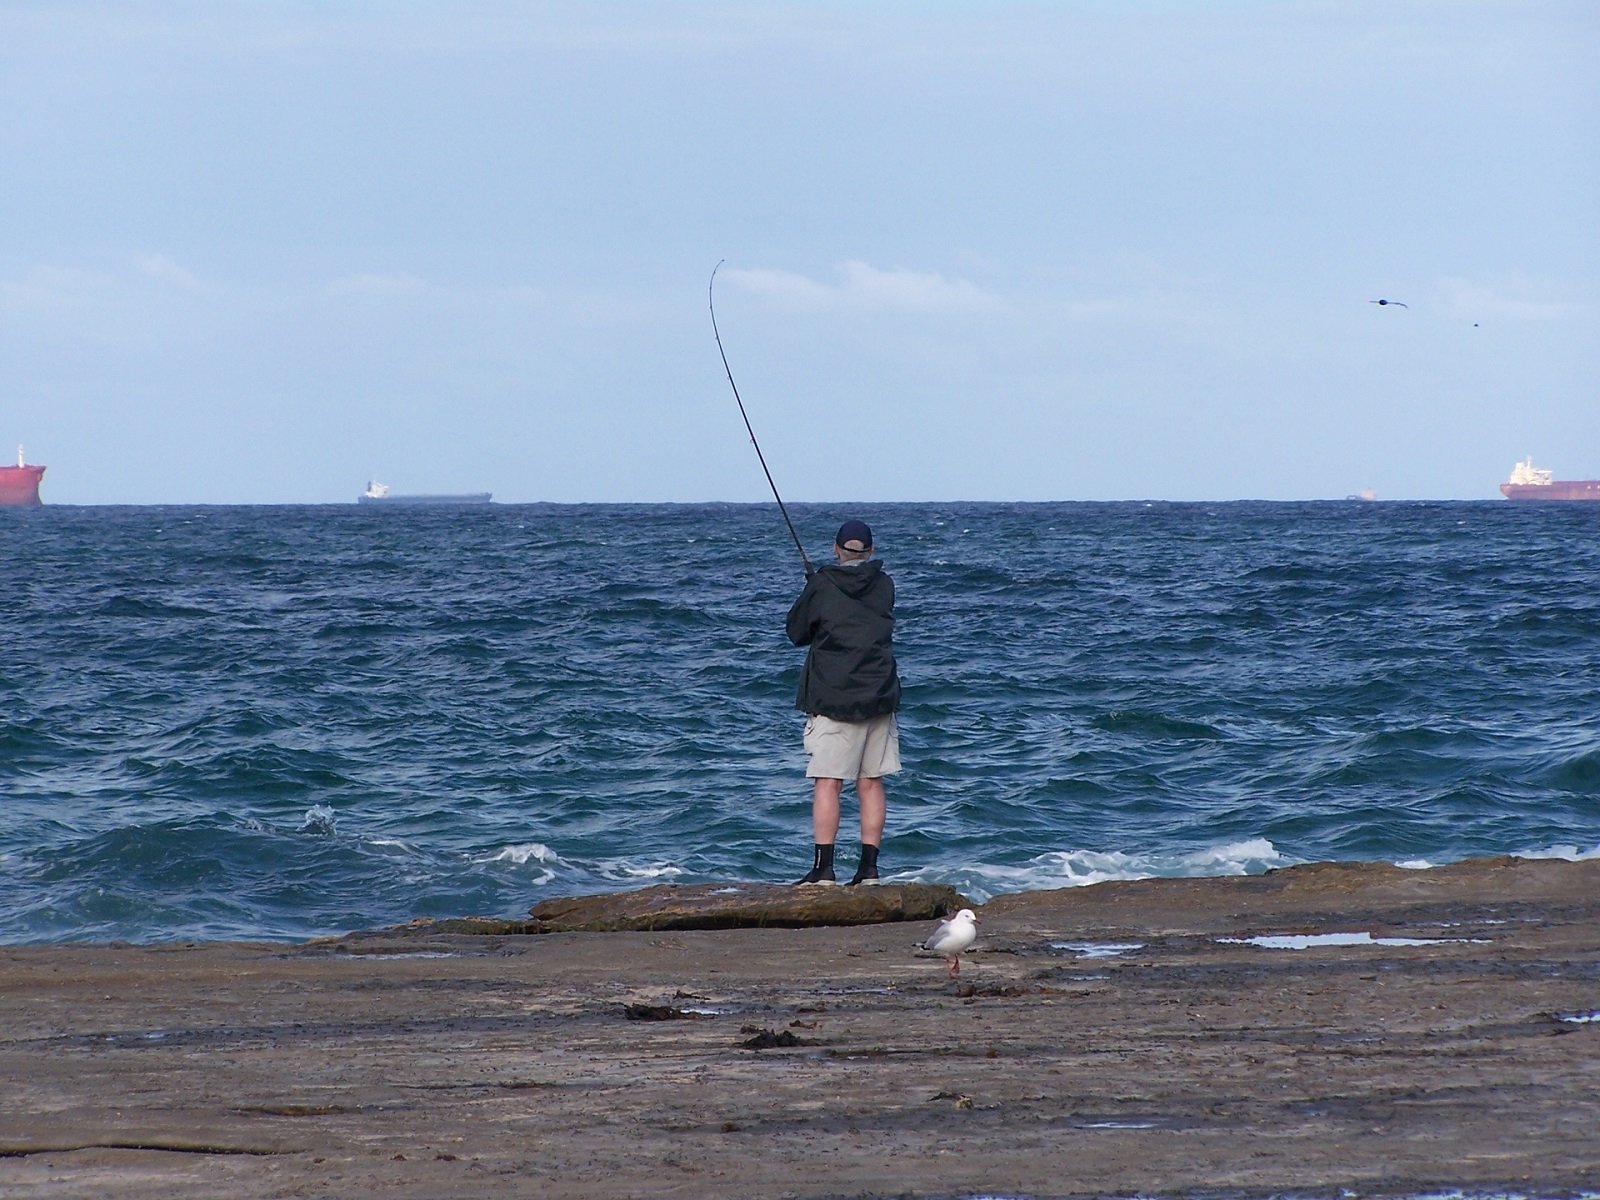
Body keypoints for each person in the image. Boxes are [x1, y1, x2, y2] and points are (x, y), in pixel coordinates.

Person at [784, 518, 902, 886]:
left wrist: (813, 590)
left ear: (836, 548)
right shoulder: (884, 584)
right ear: (871, 551)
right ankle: (869, 870)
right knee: (871, 782)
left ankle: (823, 869)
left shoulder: (822, 584)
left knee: (828, 783)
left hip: (835, 699)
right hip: (879, 696)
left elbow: (796, 632)